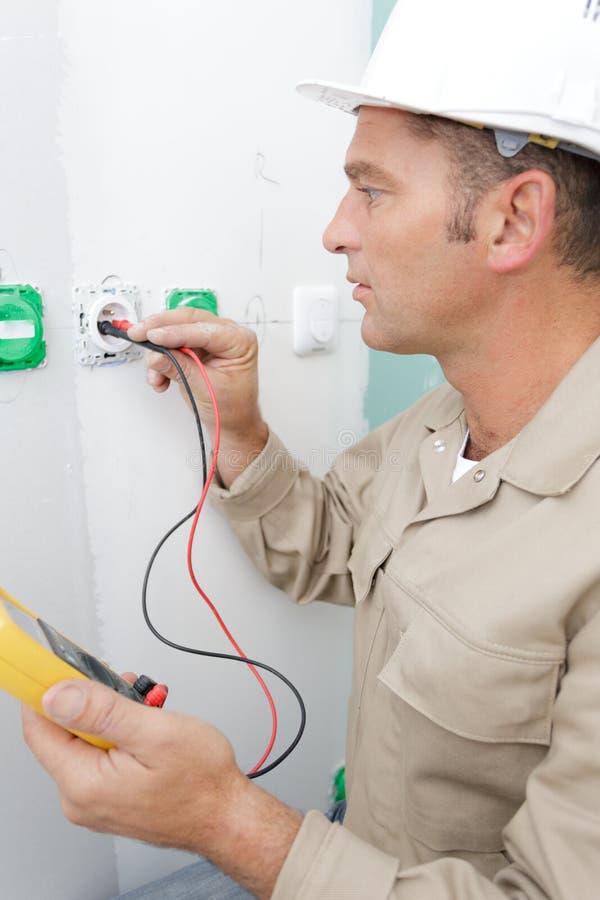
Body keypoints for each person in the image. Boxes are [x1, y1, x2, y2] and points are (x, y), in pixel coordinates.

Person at [23, 0, 600, 897]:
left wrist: (222, 818)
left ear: (513, 221)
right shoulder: (449, 420)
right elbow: (333, 548)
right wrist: (241, 427)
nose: (335, 231)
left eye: (370, 189)